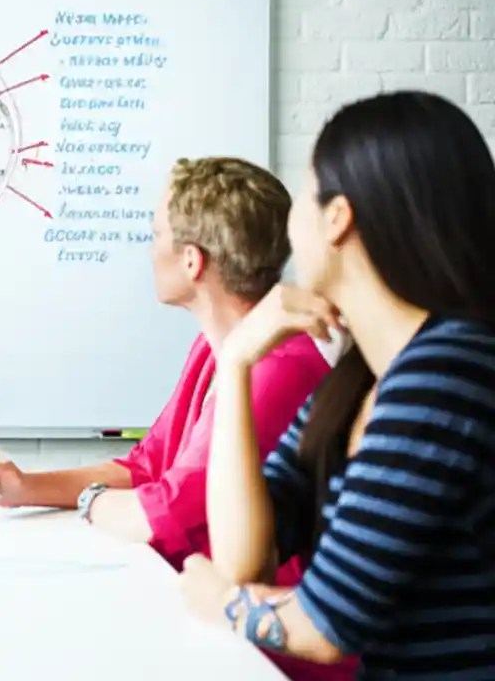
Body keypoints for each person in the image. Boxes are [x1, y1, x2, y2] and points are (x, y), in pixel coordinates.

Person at [0, 157, 350, 680]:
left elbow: (164, 512)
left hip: (269, 654)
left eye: (156, 233)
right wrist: (25, 487)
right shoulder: (213, 350)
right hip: (215, 626)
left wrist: (91, 501)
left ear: (191, 261)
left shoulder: (277, 368)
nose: (149, 248)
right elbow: (147, 466)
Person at [180, 91, 495, 679]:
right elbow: (245, 559)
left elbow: (327, 625)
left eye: (304, 193)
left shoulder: (446, 371)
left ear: (337, 217)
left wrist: (218, 601)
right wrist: (237, 360)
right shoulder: (357, 382)